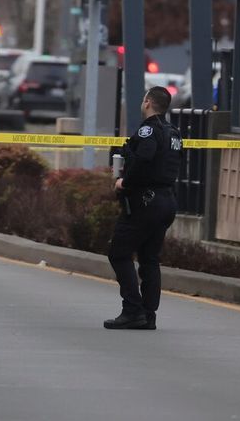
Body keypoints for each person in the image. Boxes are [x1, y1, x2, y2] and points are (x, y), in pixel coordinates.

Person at [105, 86, 183, 330]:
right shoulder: (174, 133)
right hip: (166, 201)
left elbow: (144, 159)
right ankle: (149, 314)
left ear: (148, 102)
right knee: (149, 258)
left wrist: (124, 182)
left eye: (142, 99)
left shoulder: (149, 130)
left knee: (119, 253)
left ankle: (132, 310)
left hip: (145, 202)